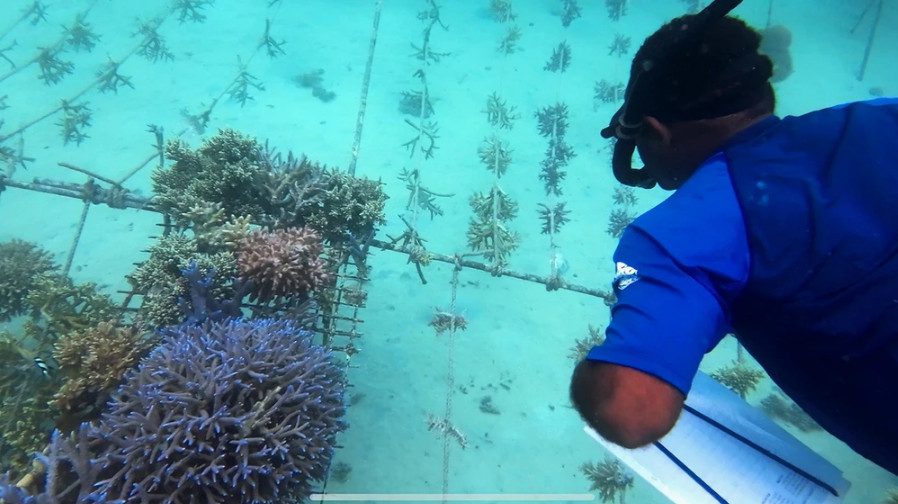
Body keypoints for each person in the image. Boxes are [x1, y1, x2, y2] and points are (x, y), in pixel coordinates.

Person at [569, 1, 898, 476]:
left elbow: (633, 413)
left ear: (658, 133)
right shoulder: (882, 116)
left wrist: (596, 370)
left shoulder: (677, 239)